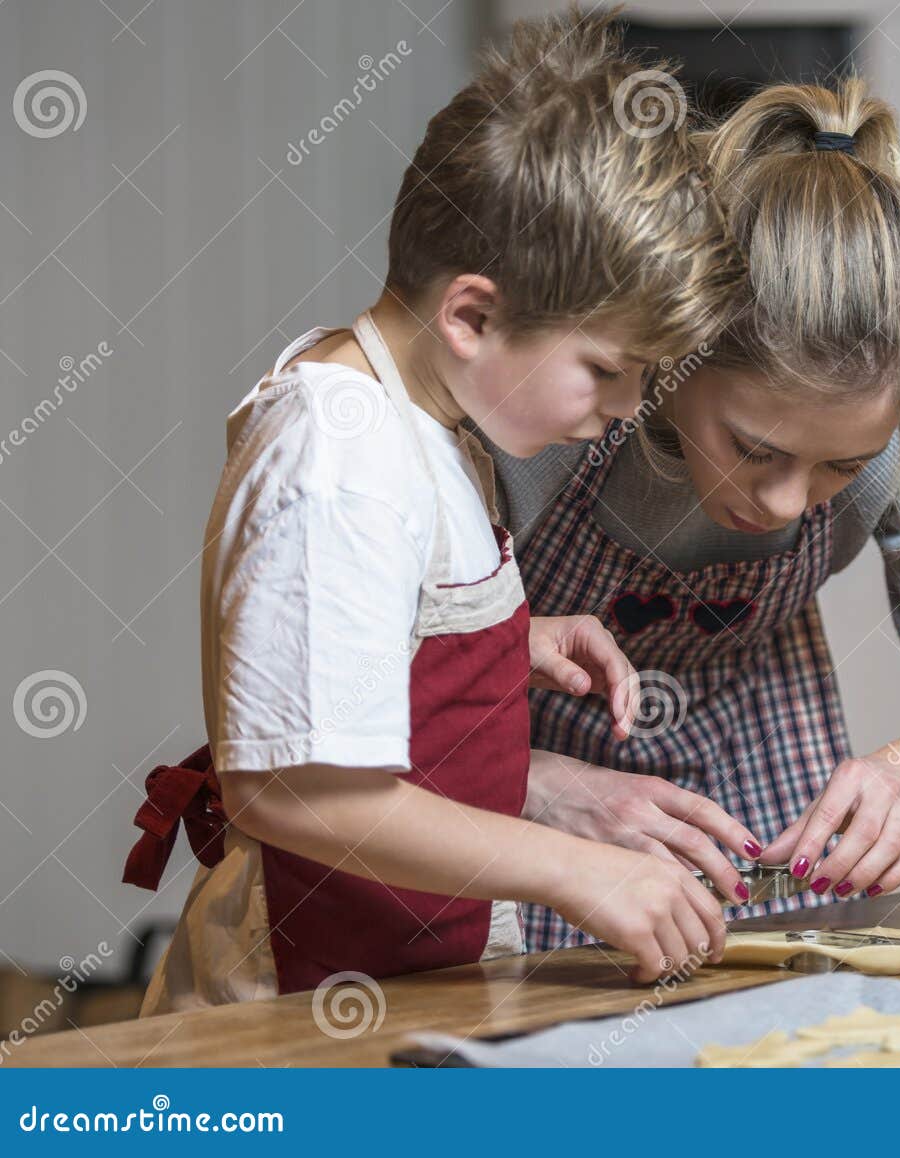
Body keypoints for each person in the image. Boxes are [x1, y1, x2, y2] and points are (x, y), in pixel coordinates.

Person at [123, 10, 741, 1012]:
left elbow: (366, 629)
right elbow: (296, 790)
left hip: (406, 977)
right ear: (471, 316)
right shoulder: (339, 456)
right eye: (606, 370)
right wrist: (576, 869)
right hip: (294, 998)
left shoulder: (431, 416)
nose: (630, 408)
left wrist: (498, 642)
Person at [488, 79, 900, 951]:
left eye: (839, 466)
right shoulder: (556, 400)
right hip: (494, 800)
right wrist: (536, 784)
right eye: (754, 447)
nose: (781, 502)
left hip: (755, 785)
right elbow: (363, 691)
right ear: (675, 354)